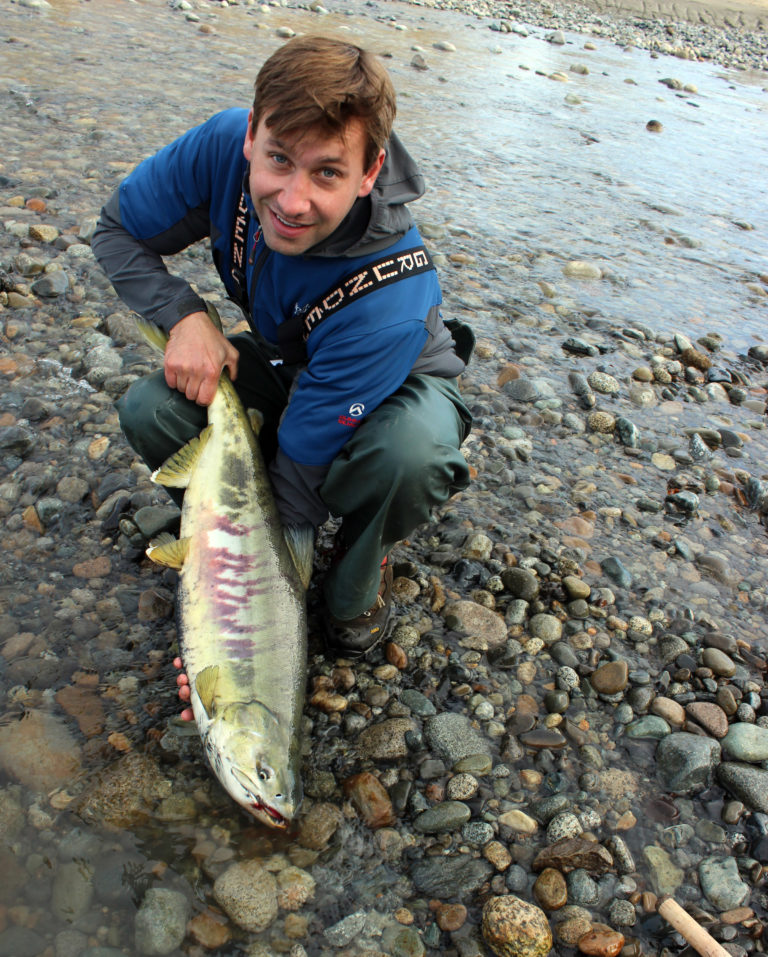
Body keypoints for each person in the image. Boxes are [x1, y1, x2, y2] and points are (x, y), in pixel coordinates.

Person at [92, 35, 473, 658]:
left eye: (328, 172)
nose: (293, 202)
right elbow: (117, 231)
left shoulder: (390, 298)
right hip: (289, 362)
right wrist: (184, 316)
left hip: (396, 387)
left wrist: (257, 626)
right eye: (279, 160)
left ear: (369, 171)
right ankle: (212, 542)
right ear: (252, 134)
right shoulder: (221, 148)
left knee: (407, 460)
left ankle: (359, 571)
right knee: (151, 408)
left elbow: (298, 479)